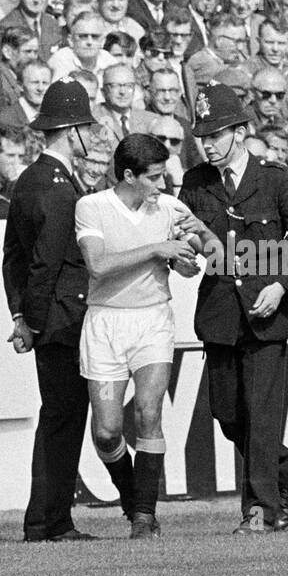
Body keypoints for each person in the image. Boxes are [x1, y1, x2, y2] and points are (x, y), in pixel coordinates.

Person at [179, 82, 288, 534]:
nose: (208, 144)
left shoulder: (276, 179)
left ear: (241, 132)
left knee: (262, 417)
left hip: (269, 317)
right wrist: (184, 254)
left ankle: (258, 510)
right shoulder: (195, 183)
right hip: (220, 316)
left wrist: (283, 286)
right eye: (202, 136)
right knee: (228, 415)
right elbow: (189, 239)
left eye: (217, 134)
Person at [74, 132, 215, 540]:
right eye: (154, 178)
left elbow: (201, 241)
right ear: (129, 175)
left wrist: (192, 254)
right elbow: (98, 266)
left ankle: (144, 517)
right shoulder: (92, 206)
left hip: (152, 319)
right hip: (106, 323)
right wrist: (160, 248)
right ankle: (131, 496)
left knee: (149, 413)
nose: (163, 185)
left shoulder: (168, 206)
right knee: (106, 432)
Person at [3, 79, 114, 543]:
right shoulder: (59, 189)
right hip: (64, 318)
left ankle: (47, 518)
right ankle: (50, 521)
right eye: (86, 127)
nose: (91, 135)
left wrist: (19, 316)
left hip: (48, 316)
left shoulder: (29, 181)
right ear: (72, 132)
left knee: (59, 417)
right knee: (63, 419)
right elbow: (46, 264)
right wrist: (33, 320)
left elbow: (12, 256)